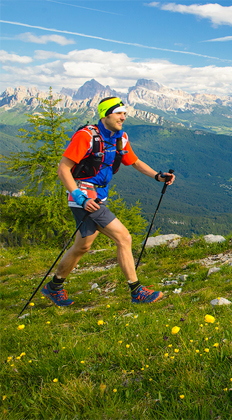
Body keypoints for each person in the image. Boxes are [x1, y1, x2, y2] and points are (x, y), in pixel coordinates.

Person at [41, 96, 175, 306]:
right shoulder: (86, 136)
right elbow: (63, 169)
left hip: (98, 197)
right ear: (105, 114)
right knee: (123, 237)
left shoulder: (120, 137)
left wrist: (158, 176)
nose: (124, 116)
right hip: (84, 197)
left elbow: (135, 161)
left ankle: (54, 287)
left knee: (82, 246)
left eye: (124, 112)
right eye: (119, 113)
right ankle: (136, 291)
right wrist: (80, 197)